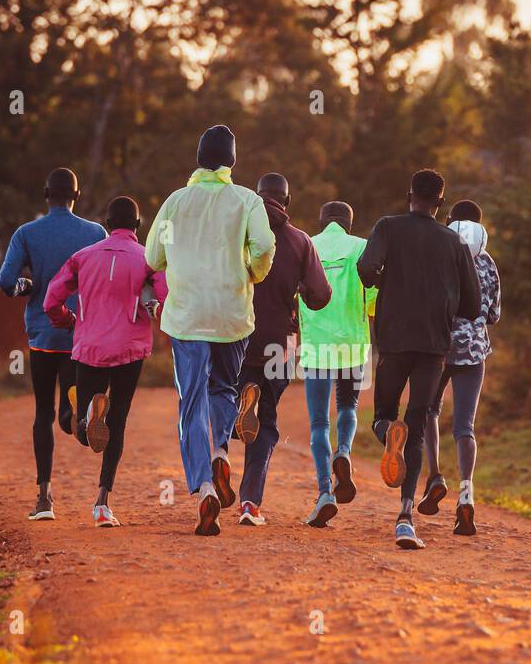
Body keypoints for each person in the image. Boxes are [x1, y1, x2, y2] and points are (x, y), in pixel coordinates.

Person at [144, 124, 276, 536]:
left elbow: (152, 256)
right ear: (232, 162)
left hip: (186, 317)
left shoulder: (175, 203)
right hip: (231, 314)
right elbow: (265, 247)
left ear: (199, 159)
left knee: (191, 400)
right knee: (224, 389)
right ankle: (220, 447)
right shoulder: (247, 200)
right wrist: (251, 272)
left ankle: (204, 488)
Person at [357, 168, 481, 550]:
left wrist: (385, 282)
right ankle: (406, 518)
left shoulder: (388, 227)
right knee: (416, 421)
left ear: (409, 193)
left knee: (384, 415)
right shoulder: (454, 243)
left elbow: (365, 269)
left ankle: (385, 434)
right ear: (440, 202)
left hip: (394, 341)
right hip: (433, 346)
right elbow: (473, 304)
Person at [43, 196, 167, 528]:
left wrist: (67, 320)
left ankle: (85, 420)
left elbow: (51, 300)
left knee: (86, 430)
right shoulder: (148, 259)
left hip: (90, 347)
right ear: (138, 227)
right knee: (118, 420)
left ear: (108, 225)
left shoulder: (82, 257)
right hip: (129, 348)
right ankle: (102, 503)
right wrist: (156, 310)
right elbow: (167, 298)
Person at [0, 168, 107, 521]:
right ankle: (74, 412)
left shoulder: (26, 233)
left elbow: (5, 282)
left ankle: (44, 498)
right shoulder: (95, 233)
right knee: (68, 405)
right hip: (81, 335)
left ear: (46, 194)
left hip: (43, 334)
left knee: (42, 412)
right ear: (76, 196)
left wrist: (26, 287)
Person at [234, 173, 331, 527]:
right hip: (279, 346)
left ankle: (234, 420)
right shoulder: (300, 241)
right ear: (287, 203)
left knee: (224, 402)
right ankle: (249, 504)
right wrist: (300, 287)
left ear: (257, 199)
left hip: (237, 335)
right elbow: (321, 296)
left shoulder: (239, 234)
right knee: (267, 423)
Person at [419, 200, 501, 535]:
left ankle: (435, 476)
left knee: (428, 411)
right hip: (474, 350)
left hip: (438, 346)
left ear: (449, 222)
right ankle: (466, 493)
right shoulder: (488, 262)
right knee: (465, 426)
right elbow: (494, 314)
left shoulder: (439, 255)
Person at [298, 201, 376, 527]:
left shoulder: (308, 246)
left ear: (322, 220)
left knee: (318, 424)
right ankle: (343, 451)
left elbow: (295, 294)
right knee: (348, 406)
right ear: (348, 222)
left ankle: (325, 492)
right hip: (352, 344)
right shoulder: (361, 247)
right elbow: (371, 295)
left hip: (316, 345)